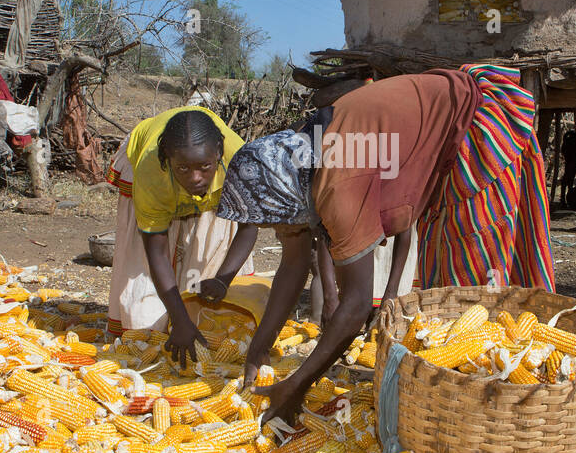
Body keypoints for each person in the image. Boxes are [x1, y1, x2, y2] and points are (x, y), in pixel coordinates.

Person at [217, 64, 554, 426]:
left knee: (470, 286)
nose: (274, 229)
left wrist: (298, 384)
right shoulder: (295, 153)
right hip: (448, 122)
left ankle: (501, 408)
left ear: (283, 198)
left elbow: (357, 307)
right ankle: (461, 397)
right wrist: (258, 350)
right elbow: (293, 264)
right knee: (444, 286)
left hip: (476, 128)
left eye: (271, 220)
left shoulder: (337, 183)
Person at [105, 106, 258, 365]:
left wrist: (222, 280)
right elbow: (156, 252)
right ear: (167, 159)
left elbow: (248, 226)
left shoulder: (241, 163)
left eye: (204, 167)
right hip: (155, 178)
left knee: (202, 289)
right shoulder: (151, 172)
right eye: (184, 169)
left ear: (219, 154)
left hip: (216, 170)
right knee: (143, 320)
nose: (196, 178)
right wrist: (180, 320)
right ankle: (169, 318)